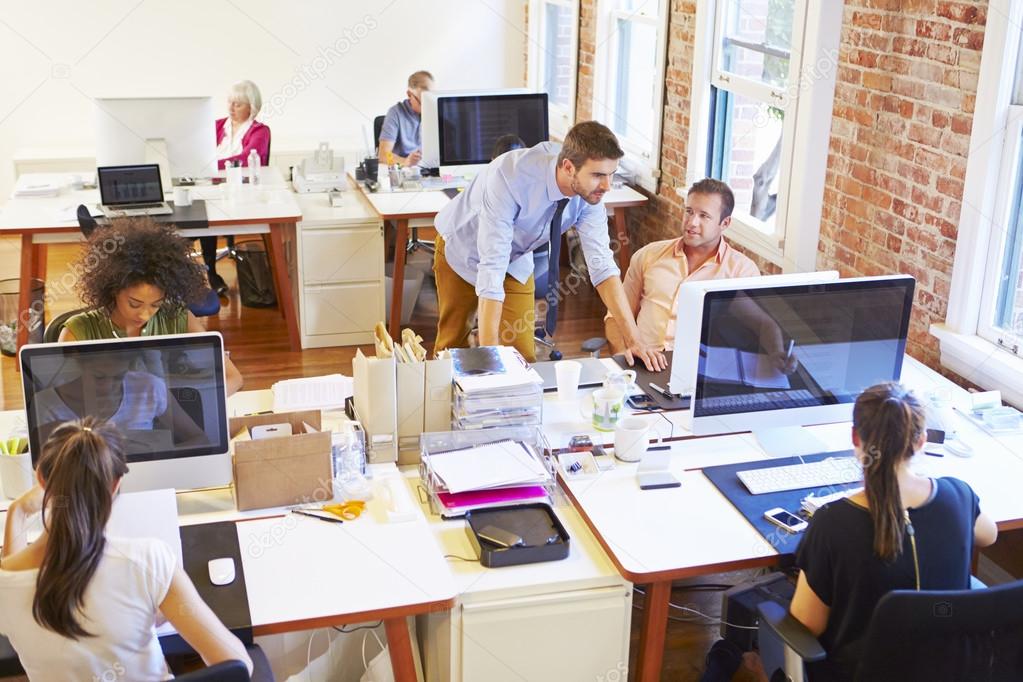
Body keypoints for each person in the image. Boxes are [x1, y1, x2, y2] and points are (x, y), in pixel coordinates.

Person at [0, 418, 252, 680]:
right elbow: (239, 666)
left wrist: (17, 512)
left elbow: (15, 583)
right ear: (115, 485)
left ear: (40, 479)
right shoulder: (148, 561)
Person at [787, 382, 998, 681]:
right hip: (953, 669)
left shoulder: (831, 522)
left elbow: (807, 625)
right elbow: (989, 536)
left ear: (855, 438)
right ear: (922, 440)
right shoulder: (959, 495)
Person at [433, 120, 664, 369]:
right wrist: (491, 359)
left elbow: (602, 266)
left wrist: (635, 340)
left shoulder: (589, 195)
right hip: (461, 248)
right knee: (451, 352)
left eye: (611, 175)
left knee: (521, 358)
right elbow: (491, 269)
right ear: (568, 167)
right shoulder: (511, 178)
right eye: (598, 175)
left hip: (515, 259)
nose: (607, 186)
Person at [58, 217, 244, 395]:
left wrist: (206, 403)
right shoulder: (78, 332)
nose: (145, 315)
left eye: (156, 304)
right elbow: (63, 397)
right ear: (113, 289)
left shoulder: (178, 317)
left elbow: (234, 378)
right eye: (134, 304)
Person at [605, 178, 759, 353]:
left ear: (725, 223)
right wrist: (622, 358)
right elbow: (616, 317)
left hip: (697, 370)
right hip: (642, 361)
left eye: (704, 216)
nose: (692, 222)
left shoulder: (742, 272)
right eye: (689, 211)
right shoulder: (648, 255)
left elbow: (758, 328)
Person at [204, 80, 271, 294]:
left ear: (252, 107)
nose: (231, 108)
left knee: (209, 216)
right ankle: (209, 272)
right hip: (210, 186)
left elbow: (246, 159)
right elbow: (197, 150)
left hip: (241, 191)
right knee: (202, 214)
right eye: (230, 103)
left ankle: (211, 274)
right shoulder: (216, 126)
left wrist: (211, 166)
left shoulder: (260, 131)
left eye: (238, 104)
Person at [378, 70, 434, 168]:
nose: (427, 107)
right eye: (423, 102)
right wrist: (405, 161)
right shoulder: (395, 113)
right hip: (404, 172)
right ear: (409, 94)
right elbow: (383, 156)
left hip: (430, 172)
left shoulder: (434, 112)